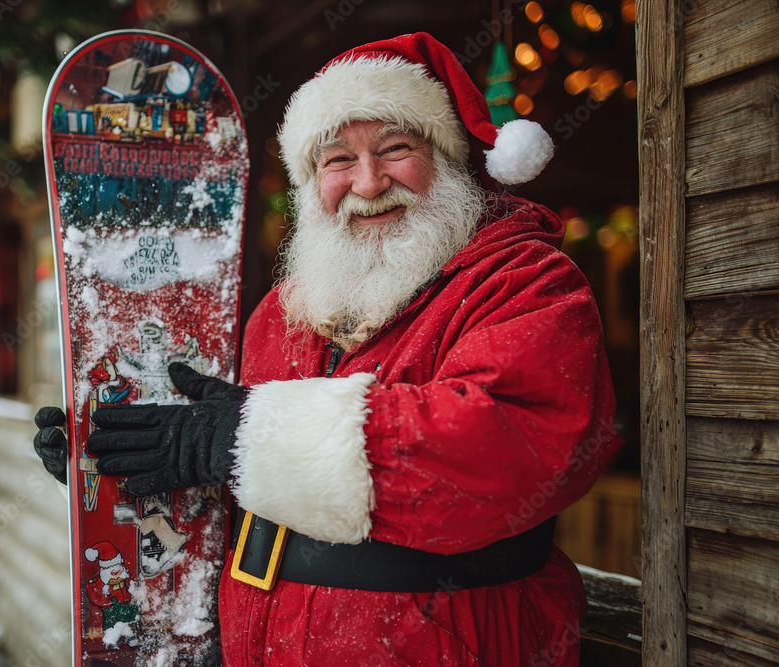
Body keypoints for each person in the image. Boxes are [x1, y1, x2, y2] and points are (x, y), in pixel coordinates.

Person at [34, 32, 617, 665]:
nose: (368, 183)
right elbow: (230, 478)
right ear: (313, 181)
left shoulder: (526, 283)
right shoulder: (282, 313)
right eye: (338, 160)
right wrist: (125, 461)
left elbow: (507, 446)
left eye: (396, 149)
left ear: (448, 161)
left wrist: (245, 436)